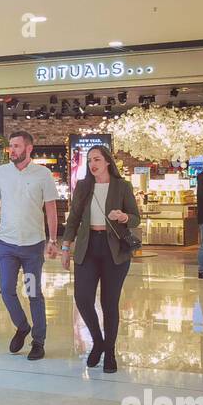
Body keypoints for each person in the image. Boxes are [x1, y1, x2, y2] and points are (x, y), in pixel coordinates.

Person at [62, 144, 141, 372]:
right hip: (88, 247)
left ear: (107, 161)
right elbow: (74, 218)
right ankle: (98, 341)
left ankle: (110, 352)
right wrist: (65, 248)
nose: (92, 164)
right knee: (82, 298)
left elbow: (136, 218)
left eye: (96, 159)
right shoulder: (84, 186)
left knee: (109, 303)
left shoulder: (122, 186)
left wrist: (124, 216)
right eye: (89, 161)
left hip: (114, 250)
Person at [0, 130, 59, 361]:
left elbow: (51, 209)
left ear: (28, 148)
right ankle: (22, 326)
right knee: (6, 290)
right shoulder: (1, 173)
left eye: (16, 146)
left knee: (33, 292)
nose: (12, 150)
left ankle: (38, 341)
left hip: (32, 247)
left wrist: (53, 240)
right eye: (11, 146)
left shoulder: (43, 174)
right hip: (7, 244)